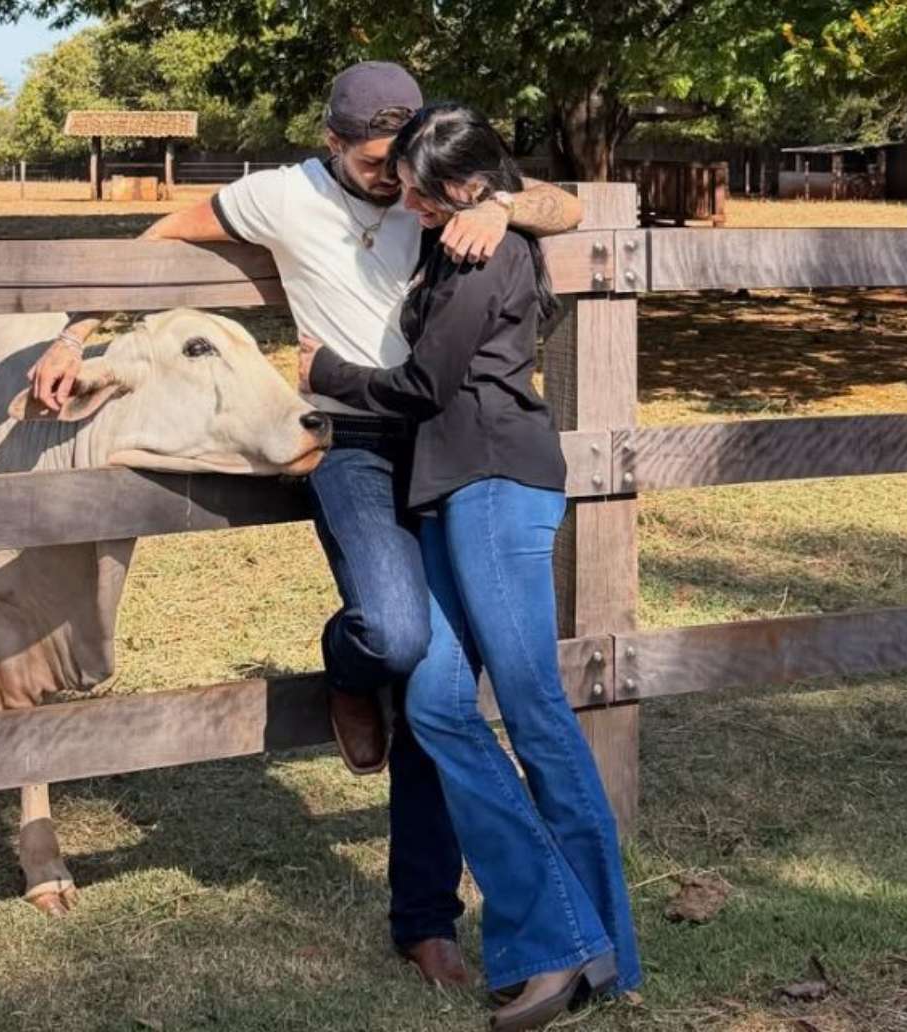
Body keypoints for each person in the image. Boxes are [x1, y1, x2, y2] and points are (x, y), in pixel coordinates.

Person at [27, 63, 584, 986]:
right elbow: (159, 234)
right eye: (374, 163)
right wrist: (75, 330)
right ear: (331, 144)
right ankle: (348, 661)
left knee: (443, 687)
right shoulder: (279, 196)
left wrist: (502, 208)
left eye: (405, 163)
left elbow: (566, 208)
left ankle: (426, 917)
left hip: (445, 441)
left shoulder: (435, 178)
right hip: (354, 442)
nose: (395, 183)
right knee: (395, 634)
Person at [298, 103, 641, 1031]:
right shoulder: (465, 235)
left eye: (415, 187)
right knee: (443, 706)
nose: (401, 200)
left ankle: (581, 944)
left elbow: (423, 387)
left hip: (493, 482)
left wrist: (324, 370)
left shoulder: (484, 253)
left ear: (461, 187)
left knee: (532, 710)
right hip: (452, 493)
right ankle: (574, 937)